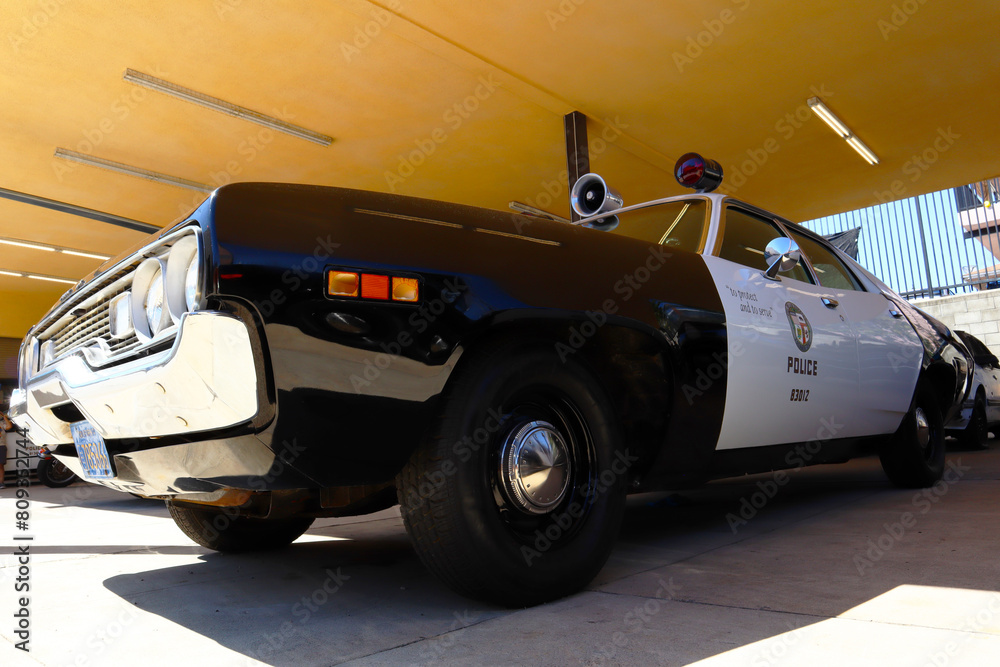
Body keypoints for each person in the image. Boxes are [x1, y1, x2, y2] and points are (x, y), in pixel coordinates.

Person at [0, 412, 11, 489]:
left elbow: (9, 426)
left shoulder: (1, 423)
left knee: (0, 466)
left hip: (1, 446)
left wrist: (4, 417)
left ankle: (1, 483)